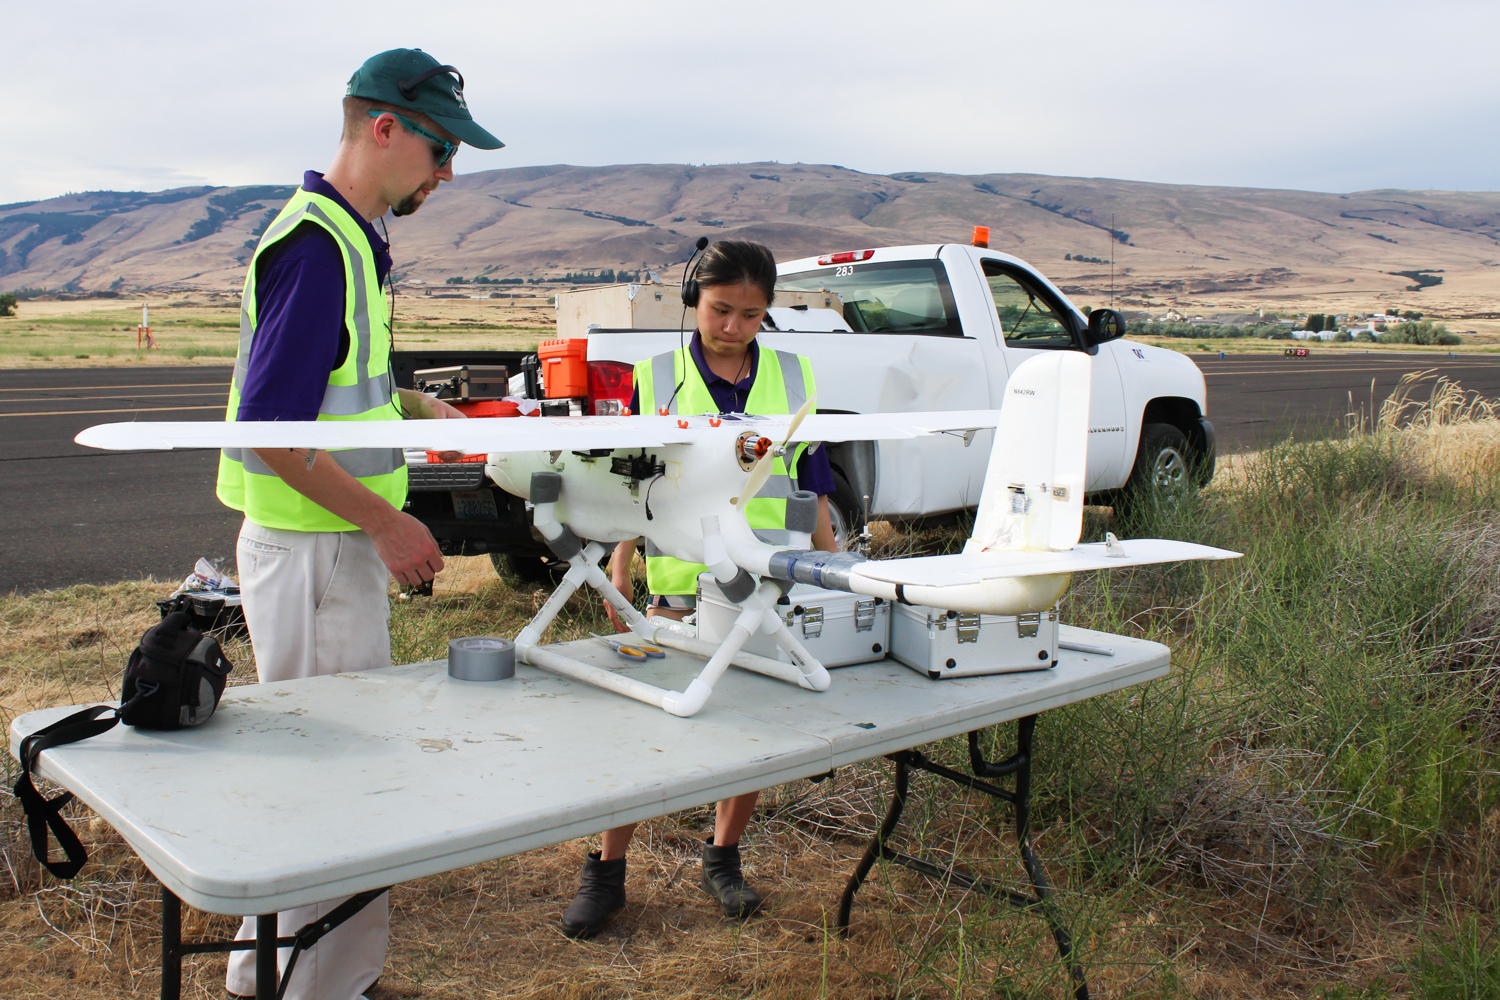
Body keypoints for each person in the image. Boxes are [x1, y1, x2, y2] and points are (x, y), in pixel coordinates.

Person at [215, 49, 503, 1000]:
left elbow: (330, 398)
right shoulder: (318, 247)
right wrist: (387, 523)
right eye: (440, 146)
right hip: (319, 553)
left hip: (320, 551)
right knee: (339, 786)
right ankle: (322, 988)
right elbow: (270, 435)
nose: (447, 172)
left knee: (318, 773)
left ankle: (278, 977)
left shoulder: (352, 237)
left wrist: (413, 406)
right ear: (384, 127)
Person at [559, 239, 839, 939]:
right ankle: (606, 872)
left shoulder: (795, 374)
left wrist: (836, 574)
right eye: (721, 310)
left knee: (747, 729)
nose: (733, 326)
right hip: (676, 586)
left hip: (765, 578)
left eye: (751, 314)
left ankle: (723, 859)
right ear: (694, 299)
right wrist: (621, 563)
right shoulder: (655, 376)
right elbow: (628, 480)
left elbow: (817, 482)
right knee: (639, 731)